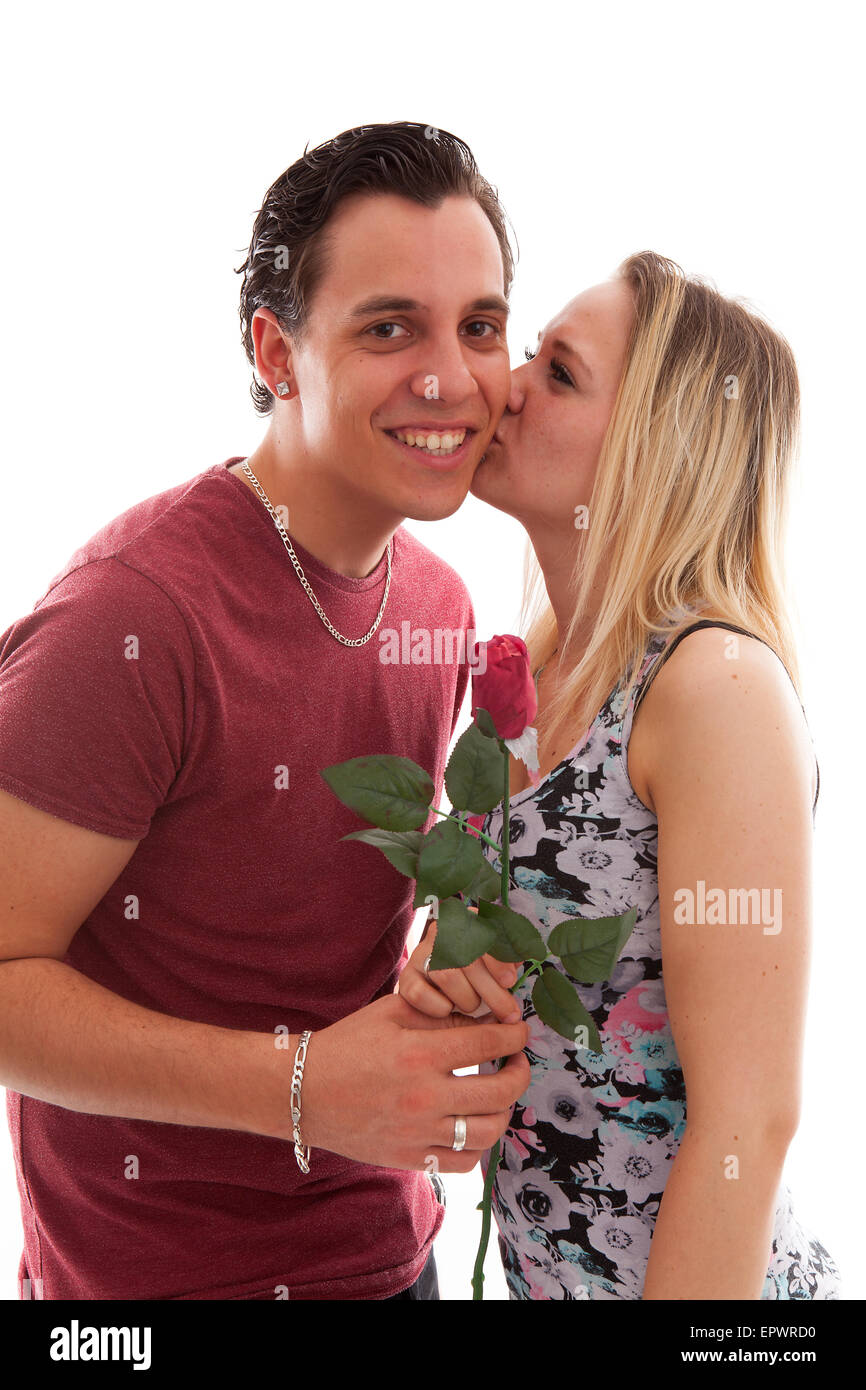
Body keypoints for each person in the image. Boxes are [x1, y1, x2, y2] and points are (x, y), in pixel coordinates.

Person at [0, 121, 531, 1301]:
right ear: (277, 353)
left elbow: (313, 920)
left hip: (391, 1259)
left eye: (479, 326)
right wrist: (299, 1087)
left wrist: (445, 980)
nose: (450, 377)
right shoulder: (132, 619)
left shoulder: (439, 599)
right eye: (389, 326)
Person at [399, 251, 843, 1300]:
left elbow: (749, 1119)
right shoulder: (535, 675)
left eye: (556, 372)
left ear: (653, 447)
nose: (502, 384)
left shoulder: (712, 688)